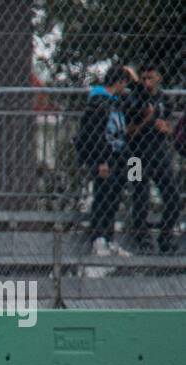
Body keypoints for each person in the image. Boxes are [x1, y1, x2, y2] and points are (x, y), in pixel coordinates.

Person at [75, 64, 135, 257]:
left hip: (117, 156)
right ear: (118, 83)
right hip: (104, 157)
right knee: (103, 196)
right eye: (124, 83)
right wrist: (101, 161)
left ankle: (108, 239)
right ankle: (98, 239)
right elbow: (95, 135)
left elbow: (138, 97)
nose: (125, 88)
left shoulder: (116, 102)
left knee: (113, 198)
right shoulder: (99, 102)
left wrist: (133, 77)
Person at [125, 66, 180, 254]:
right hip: (136, 155)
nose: (148, 81)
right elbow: (127, 129)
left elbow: (170, 125)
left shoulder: (164, 99)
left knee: (172, 197)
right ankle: (142, 236)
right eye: (144, 78)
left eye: (151, 77)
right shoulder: (133, 98)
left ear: (159, 77)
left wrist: (167, 128)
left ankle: (166, 235)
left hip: (160, 154)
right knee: (139, 195)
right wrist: (145, 120)